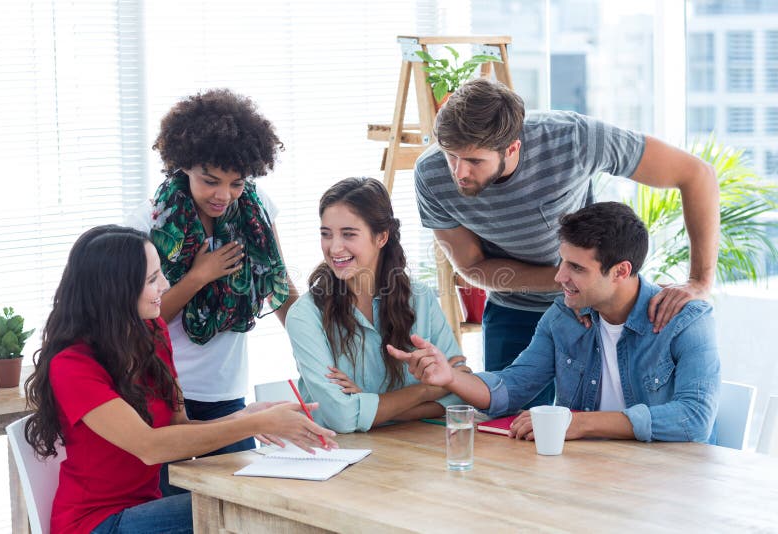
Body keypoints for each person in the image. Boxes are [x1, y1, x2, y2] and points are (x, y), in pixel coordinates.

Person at [414, 77, 720, 408]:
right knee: (507, 423)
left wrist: (700, 282)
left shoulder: (573, 139)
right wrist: (567, 284)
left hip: (600, 305)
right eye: (451, 156)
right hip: (515, 309)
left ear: (512, 148)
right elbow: (473, 266)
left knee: (615, 414)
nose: (458, 172)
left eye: (474, 161)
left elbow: (696, 174)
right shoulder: (431, 175)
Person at [24, 226, 336, 534]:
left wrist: (246, 414)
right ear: (115, 292)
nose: (164, 284)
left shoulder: (151, 333)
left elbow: (178, 430)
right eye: (151, 279)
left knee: (262, 505)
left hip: (146, 506)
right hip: (97, 524)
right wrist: (257, 425)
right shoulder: (72, 366)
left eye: (159, 273)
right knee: (252, 509)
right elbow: (149, 447)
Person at [389, 202, 721, 443]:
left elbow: (694, 419)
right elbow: (514, 386)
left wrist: (579, 423)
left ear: (620, 271)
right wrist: (450, 377)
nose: (559, 277)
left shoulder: (687, 320)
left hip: (667, 483)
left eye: (577, 268)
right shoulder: (563, 316)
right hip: (583, 475)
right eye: (562, 262)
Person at [127, 89, 298, 490]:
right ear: (183, 164)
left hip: (227, 393)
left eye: (236, 183)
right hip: (165, 396)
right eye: (210, 181)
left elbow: (279, 286)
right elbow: (142, 320)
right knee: (182, 513)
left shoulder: (257, 209)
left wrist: (320, 349)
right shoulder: (147, 223)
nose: (223, 195)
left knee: (240, 508)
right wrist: (199, 276)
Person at [285, 177, 469, 433]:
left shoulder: (421, 299)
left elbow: (460, 393)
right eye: (326, 234)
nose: (334, 247)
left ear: (381, 237)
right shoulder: (305, 316)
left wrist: (369, 406)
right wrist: (426, 390)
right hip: (339, 458)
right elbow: (341, 417)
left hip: (414, 451)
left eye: (348, 234)